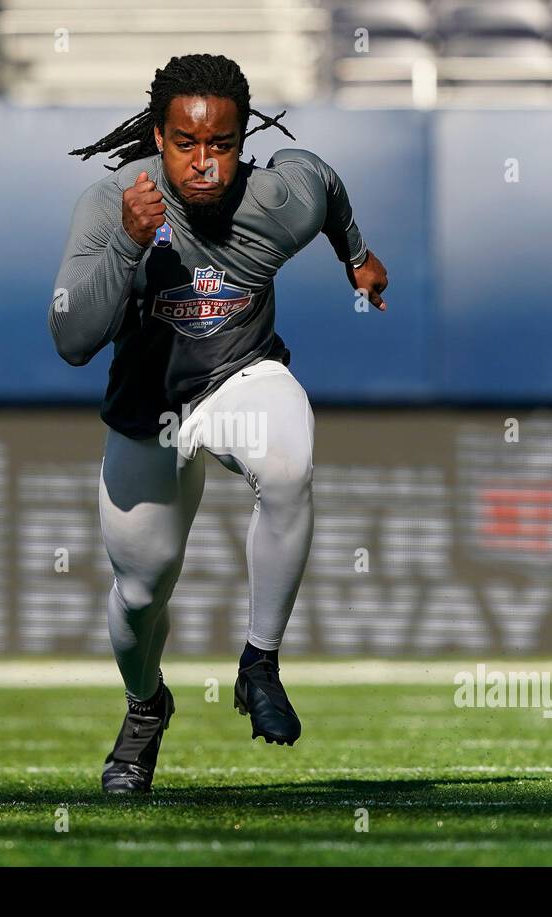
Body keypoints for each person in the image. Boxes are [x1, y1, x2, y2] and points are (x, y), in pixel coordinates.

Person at [48, 53, 388, 793]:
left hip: (239, 379)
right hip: (149, 411)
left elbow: (322, 184)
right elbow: (72, 341)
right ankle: (145, 709)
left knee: (289, 462)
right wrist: (128, 244)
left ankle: (258, 664)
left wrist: (357, 255)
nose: (205, 164)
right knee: (141, 595)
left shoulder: (276, 197)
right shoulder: (113, 204)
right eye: (185, 144)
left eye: (222, 145)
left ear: (242, 140)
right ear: (158, 139)